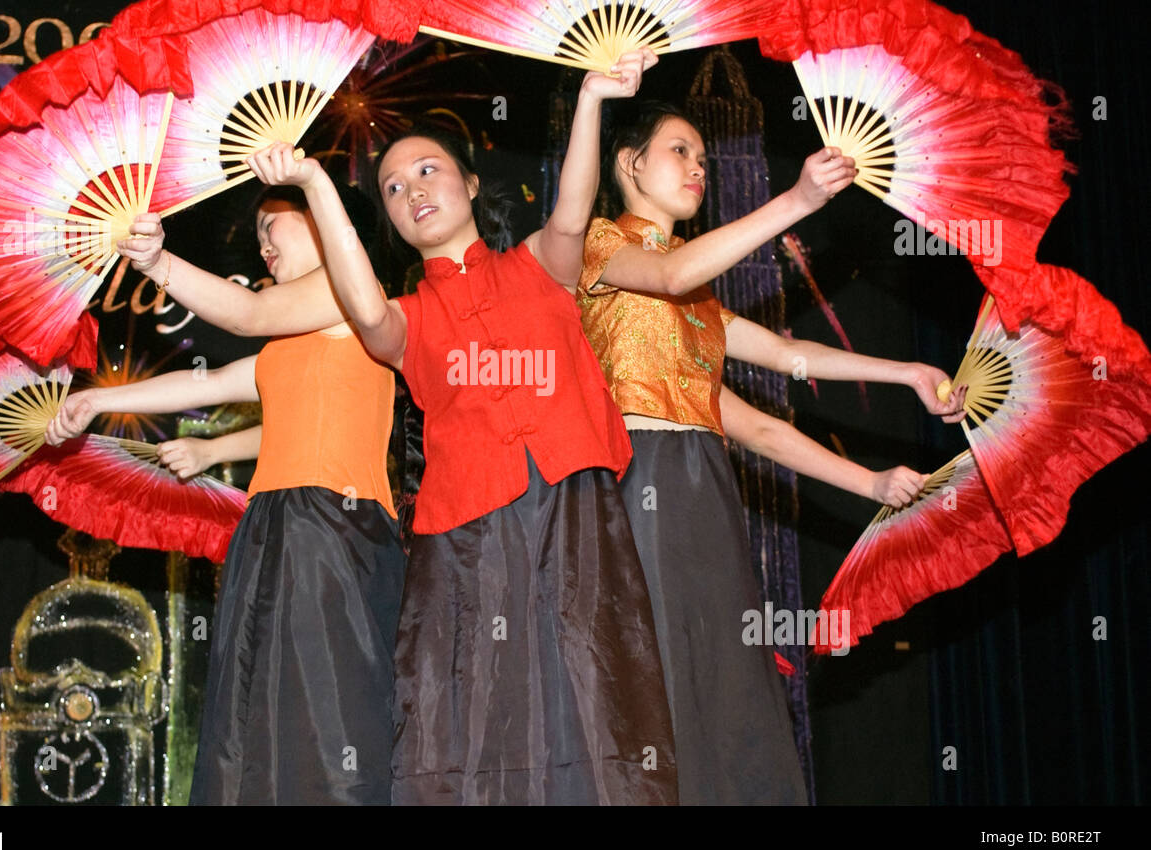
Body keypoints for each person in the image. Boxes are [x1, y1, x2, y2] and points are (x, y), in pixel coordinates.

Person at [245, 49, 680, 805]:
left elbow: (573, 209)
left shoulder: (541, 263)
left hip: (574, 514)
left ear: (471, 184)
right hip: (468, 542)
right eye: (391, 187)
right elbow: (364, 309)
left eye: (427, 172)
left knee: (593, 699)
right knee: (485, 724)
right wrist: (315, 183)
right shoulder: (408, 320)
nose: (412, 190)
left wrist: (590, 97)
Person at [581, 100, 968, 804]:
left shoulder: (694, 299)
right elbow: (666, 276)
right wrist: (798, 198)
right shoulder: (601, 244)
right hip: (636, 485)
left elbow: (780, 380)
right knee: (649, 674)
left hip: (702, 491)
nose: (698, 166)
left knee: (719, 685)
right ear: (628, 163)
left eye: (703, 156)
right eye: (679, 150)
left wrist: (893, 415)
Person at [44, 182, 405, 805]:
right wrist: (98, 400)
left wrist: (156, 261)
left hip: (332, 530)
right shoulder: (295, 341)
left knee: (325, 716)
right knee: (254, 717)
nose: (264, 245)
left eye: (275, 226)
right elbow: (208, 386)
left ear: (327, 221)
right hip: (273, 525)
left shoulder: (353, 291)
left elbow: (247, 314)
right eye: (258, 234)